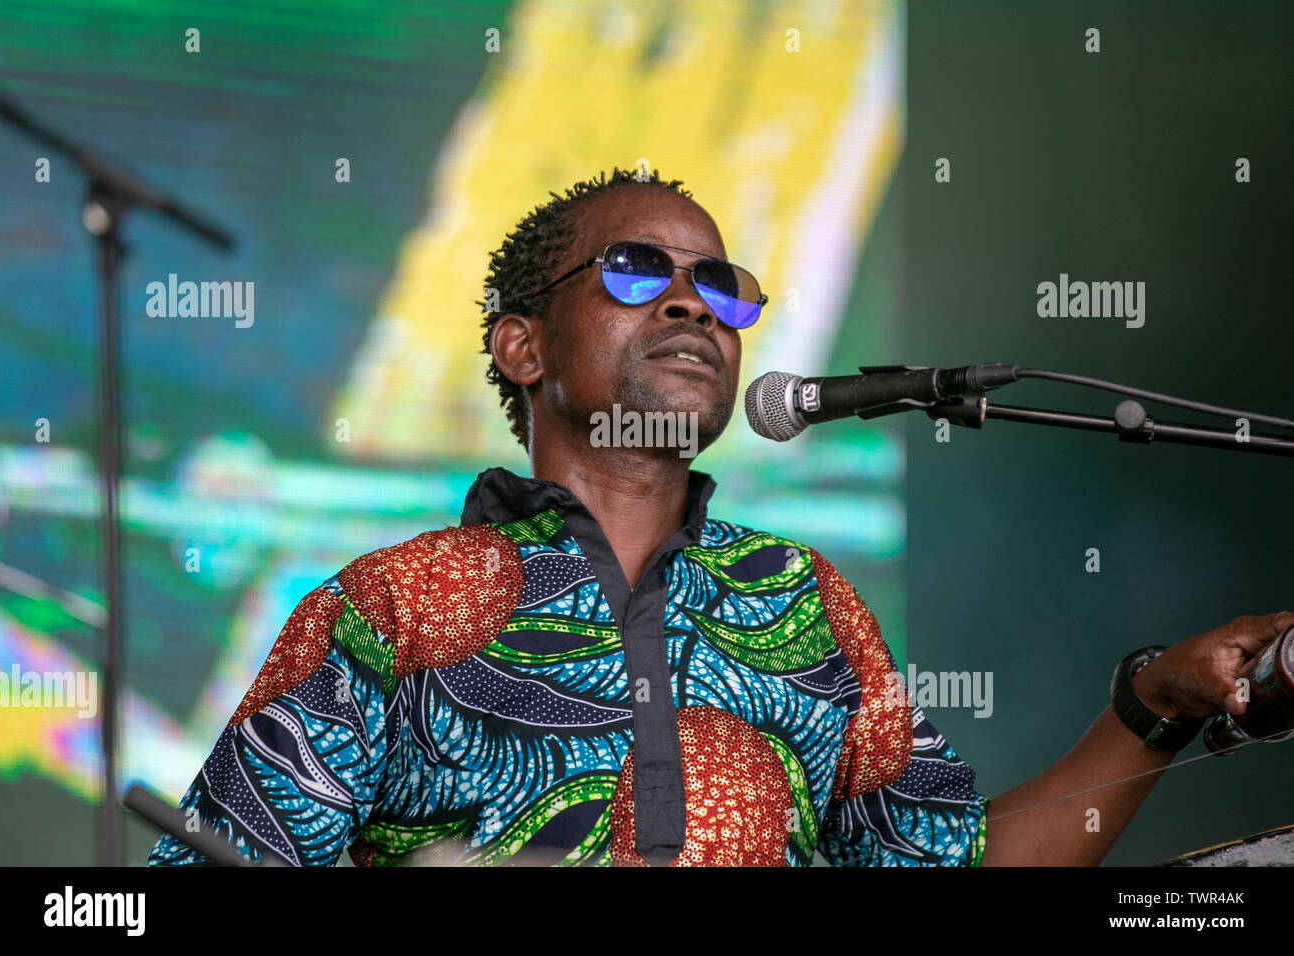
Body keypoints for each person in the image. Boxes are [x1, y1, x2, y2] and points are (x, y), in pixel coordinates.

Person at [149, 167, 1292, 867]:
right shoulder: (394, 604)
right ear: (522, 343)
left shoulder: (804, 601)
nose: (695, 299)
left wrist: (1152, 705)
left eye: (721, 282)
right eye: (638, 270)